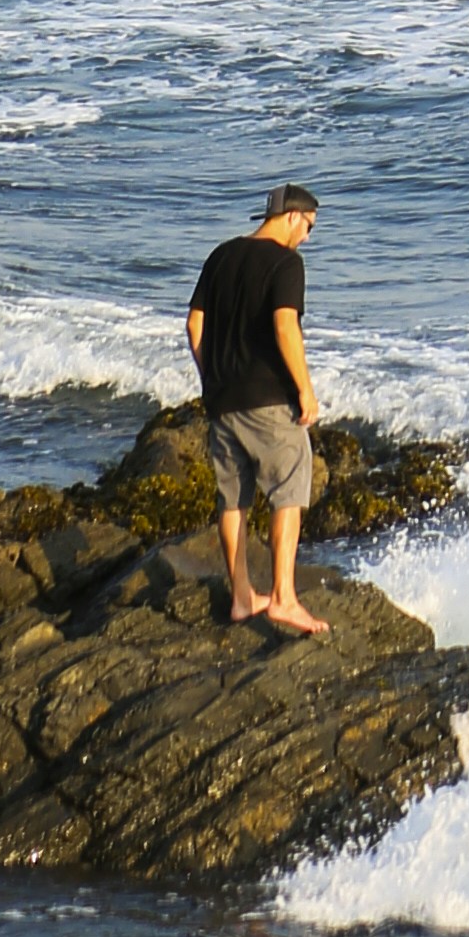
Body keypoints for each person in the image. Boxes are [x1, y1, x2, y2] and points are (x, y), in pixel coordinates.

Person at [185, 181, 330, 636]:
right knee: (289, 486)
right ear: (291, 217)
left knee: (234, 498)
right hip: (267, 399)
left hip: (222, 399)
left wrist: (213, 378)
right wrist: (305, 389)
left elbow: (194, 326)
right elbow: (285, 326)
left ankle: (243, 596)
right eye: (307, 226)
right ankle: (284, 599)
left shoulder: (221, 256)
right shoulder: (286, 262)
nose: (306, 237)